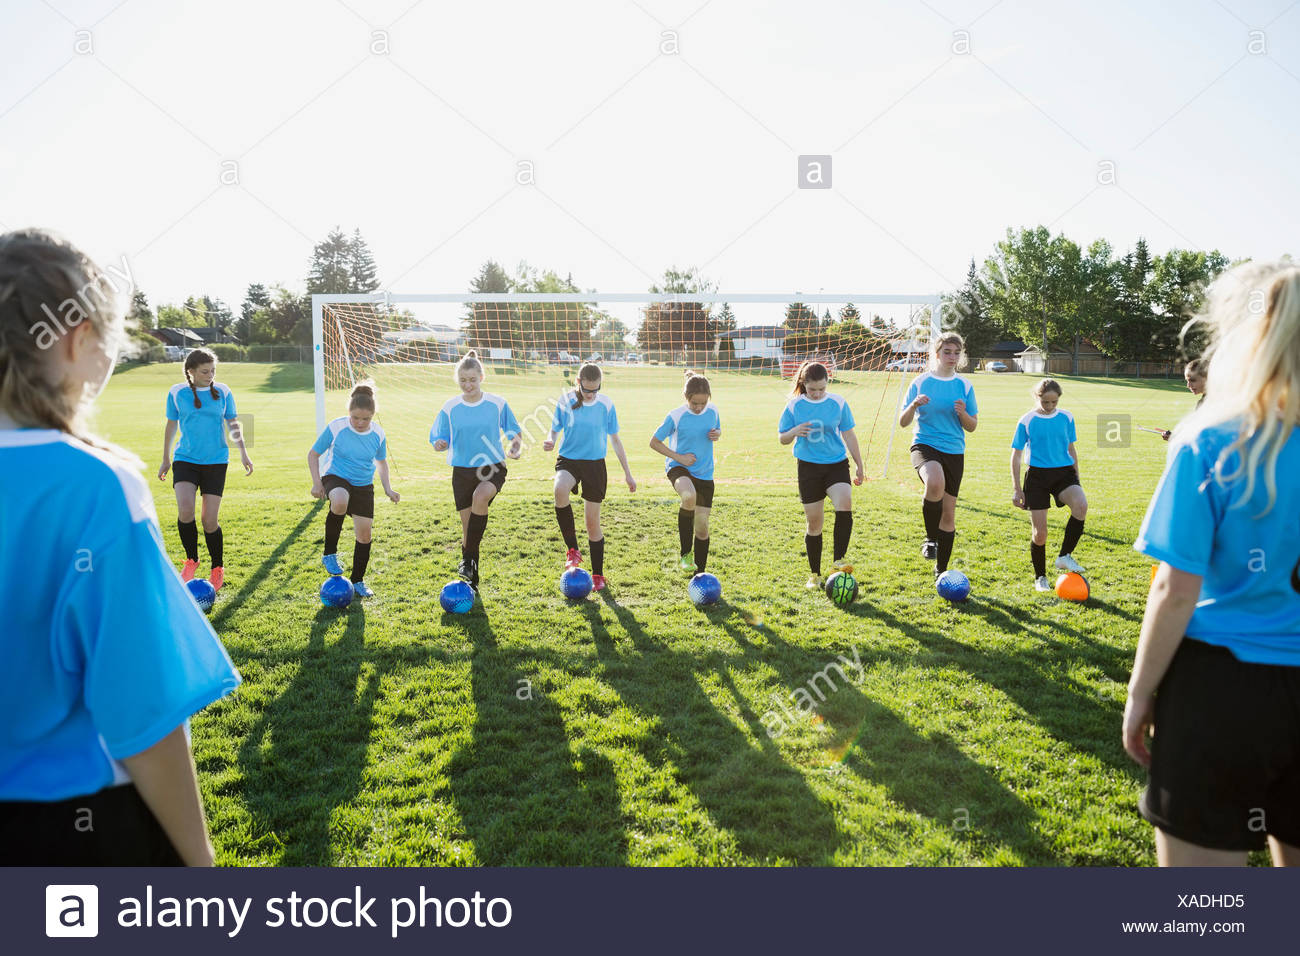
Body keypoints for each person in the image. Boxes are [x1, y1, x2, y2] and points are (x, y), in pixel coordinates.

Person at [0, 228, 239, 864]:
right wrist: (199, 862)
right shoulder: (95, 486)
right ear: (78, 341)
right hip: (69, 826)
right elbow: (145, 713)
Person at [1124, 259, 1300, 867]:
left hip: (1221, 693)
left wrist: (1141, 694)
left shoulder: (1211, 438)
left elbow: (1174, 589)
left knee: (1202, 917)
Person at [159, 347, 253, 591]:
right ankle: (191, 559)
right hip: (185, 459)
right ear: (190, 371)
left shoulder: (223, 391)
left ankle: (217, 567)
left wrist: (243, 451)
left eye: (213, 370)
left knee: (209, 520)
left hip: (216, 461)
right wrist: (166, 458)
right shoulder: (177, 392)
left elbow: (233, 422)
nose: (210, 375)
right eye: (204, 371)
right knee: (185, 511)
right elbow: (171, 426)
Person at [430, 350, 522, 590]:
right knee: (467, 527)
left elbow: (514, 431)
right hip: (461, 471)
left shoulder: (497, 403)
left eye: (472, 379)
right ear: (457, 380)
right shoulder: (450, 407)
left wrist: (515, 447)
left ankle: (466, 561)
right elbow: (439, 436)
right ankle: (471, 575)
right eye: (463, 380)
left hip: (492, 467)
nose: (467, 384)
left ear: (482, 377)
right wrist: (440, 443)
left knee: (480, 497)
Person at [543, 362, 636, 592]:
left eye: (596, 389)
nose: (591, 394)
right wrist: (551, 440)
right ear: (578, 382)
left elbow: (615, 440)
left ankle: (597, 575)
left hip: (595, 465)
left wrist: (628, 473)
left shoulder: (606, 404)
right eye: (587, 390)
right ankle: (572, 550)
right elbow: (555, 428)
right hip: (570, 459)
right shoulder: (565, 401)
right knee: (559, 489)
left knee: (592, 524)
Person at [777, 361, 864, 589]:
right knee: (814, 524)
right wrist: (794, 431)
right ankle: (814, 574)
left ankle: (838, 561)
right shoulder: (794, 406)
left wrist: (859, 464)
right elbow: (782, 438)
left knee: (844, 504)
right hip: (808, 468)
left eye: (821, 389)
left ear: (828, 384)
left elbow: (849, 434)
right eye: (812, 389)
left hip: (836, 464)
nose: (816, 394)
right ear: (803, 384)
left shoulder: (838, 403)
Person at [308, 381, 399, 597]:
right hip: (336, 476)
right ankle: (329, 553)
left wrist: (388, 488)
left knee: (365, 536)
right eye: (355, 417)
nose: (360, 422)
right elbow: (313, 454)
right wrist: (316, 483)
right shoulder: (337, 427)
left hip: (363, 485)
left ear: (373, 416)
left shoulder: (378, 433)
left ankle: (357, 580)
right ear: (349, 412)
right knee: (339, 501)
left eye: (365, 419)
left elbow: (382, 462)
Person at [899, 333, 978, 578]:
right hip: (924, 445)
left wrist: (963, 414)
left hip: (954, 451)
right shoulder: (921, 382)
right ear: (937, 354)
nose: (952, 357)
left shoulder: (964, 386)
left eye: (956, 352)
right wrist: (913, 406)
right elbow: (903, 422)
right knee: (934, 482)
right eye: (947, 352)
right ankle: (931, 539)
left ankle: (941, 570)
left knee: (949, 513)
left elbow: (972, 425)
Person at [1010, 379, 1087, 592]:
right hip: (1037, 477)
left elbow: (1071, 449)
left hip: (1064, 474)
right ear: (1037, 397)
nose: (1050, 406)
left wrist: (1076, 477)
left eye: (1054, 402)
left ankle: (1064, 556)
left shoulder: (1067, 417)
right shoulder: (1027, 420)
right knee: (1040, 533)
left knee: (1081, 505)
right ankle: (1040, 577)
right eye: (1045, 402)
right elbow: (1015, 456)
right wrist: (1017, 488)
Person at [650, 370, 721, 574]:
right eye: (694, 403)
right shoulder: (676, 416)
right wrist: (679, 458)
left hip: (705, 473)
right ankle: (685, 554)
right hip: (678, 467)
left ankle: (700, 574)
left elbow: (717, 429)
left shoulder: (713, 410)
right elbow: (654, 442)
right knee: (688, 496)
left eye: (703, 403)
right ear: (686, 398)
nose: (699, 408)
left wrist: (717, 434)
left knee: (702, 527)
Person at [1162, 358, 1209, 440]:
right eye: (1187, 381)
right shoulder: (1204, 401)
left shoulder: (1214, 402)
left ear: (1207, 378)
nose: (1188, 385)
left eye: (1193, 380)